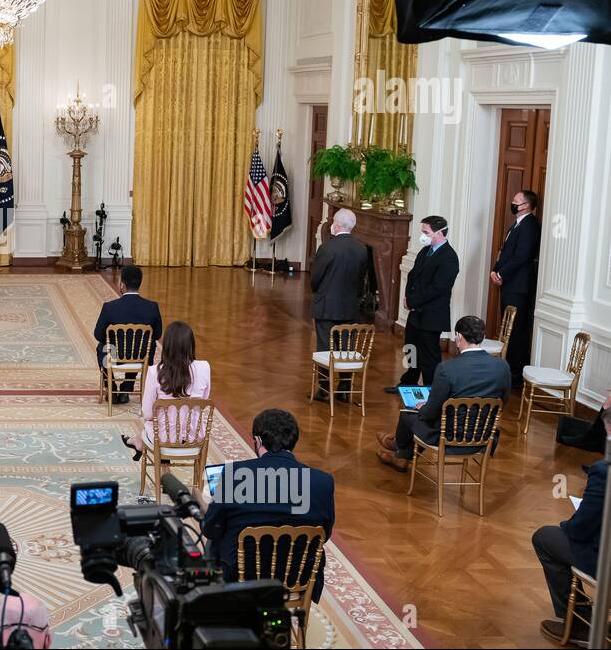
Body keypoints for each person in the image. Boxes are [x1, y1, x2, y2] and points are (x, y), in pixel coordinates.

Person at [202, 409, 336, 601]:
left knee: (214, 538)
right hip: (296, 576)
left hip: (241, 578)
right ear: (293, 440)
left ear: (257, 440)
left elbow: (209, 529)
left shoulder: (235, 475)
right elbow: (325, 534)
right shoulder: (322, 482)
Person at [376, 315, 512, 471]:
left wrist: (424, 407)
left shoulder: (447, 368)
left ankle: (399, 451)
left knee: (409, 413)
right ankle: (399, 449)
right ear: (483, 337)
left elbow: (430, 412)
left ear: (459, 337)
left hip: (448, 436)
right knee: (425, 413)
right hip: (483, 435)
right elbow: (503, 401)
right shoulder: (502, 367)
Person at [531, 440, 607, 645]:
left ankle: (580, 623)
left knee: (545, 537)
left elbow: (579, 529)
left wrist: (570, 523)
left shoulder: (604, 471)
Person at [389, 215, 459, 392]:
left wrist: (412, 300)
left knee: (429, 355)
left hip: (432, 315)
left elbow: (438, 288)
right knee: (411, 348)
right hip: (416, 312)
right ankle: (408, 383)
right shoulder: (425, 251)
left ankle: (431, 389)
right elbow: (412, 275)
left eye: (426, 232)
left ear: (439, 233)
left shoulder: (449, 257)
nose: (423, 236)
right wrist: (407, 298)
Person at [124, 321, 211, 462]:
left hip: (165, 438)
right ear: (191, 344)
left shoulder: (155, 372)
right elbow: (204, 399)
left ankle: (141, 445)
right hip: (194, 436)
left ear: (166, 346)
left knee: (157, 424)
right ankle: (138, 442)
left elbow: (147, 413)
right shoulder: (205, 367)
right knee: (165, 422)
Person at [309, 207, 368, 401]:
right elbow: (362, 280)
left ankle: (325, 390)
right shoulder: (361, 248)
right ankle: (344, 389)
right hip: (350, 307)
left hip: (326, 307)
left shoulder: (327, 248)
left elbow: (315, 278)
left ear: (336, 224)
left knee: (325, 348)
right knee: (347, 350)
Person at [491, 189, 541, 386]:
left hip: (518, 286)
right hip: (509, 283)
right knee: (508, 328)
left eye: (516, 201)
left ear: (527, 205)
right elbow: (505, 252)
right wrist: (496, 270)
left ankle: (515, 372)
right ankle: (508, 368)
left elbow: (521, 256)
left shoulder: (530, 226)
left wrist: (502, 274)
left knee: (517, 330)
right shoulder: (517, 224)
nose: (512, 203)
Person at [93, 265, 163, 405]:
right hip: (141, 357)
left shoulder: (110, 307)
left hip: (115, 356)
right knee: (147, 345)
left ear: (122, 285)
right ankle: (126, 388)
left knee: (102, 347)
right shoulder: (152, 307)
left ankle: (111, 388)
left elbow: (98, 334)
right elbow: (157, 334)